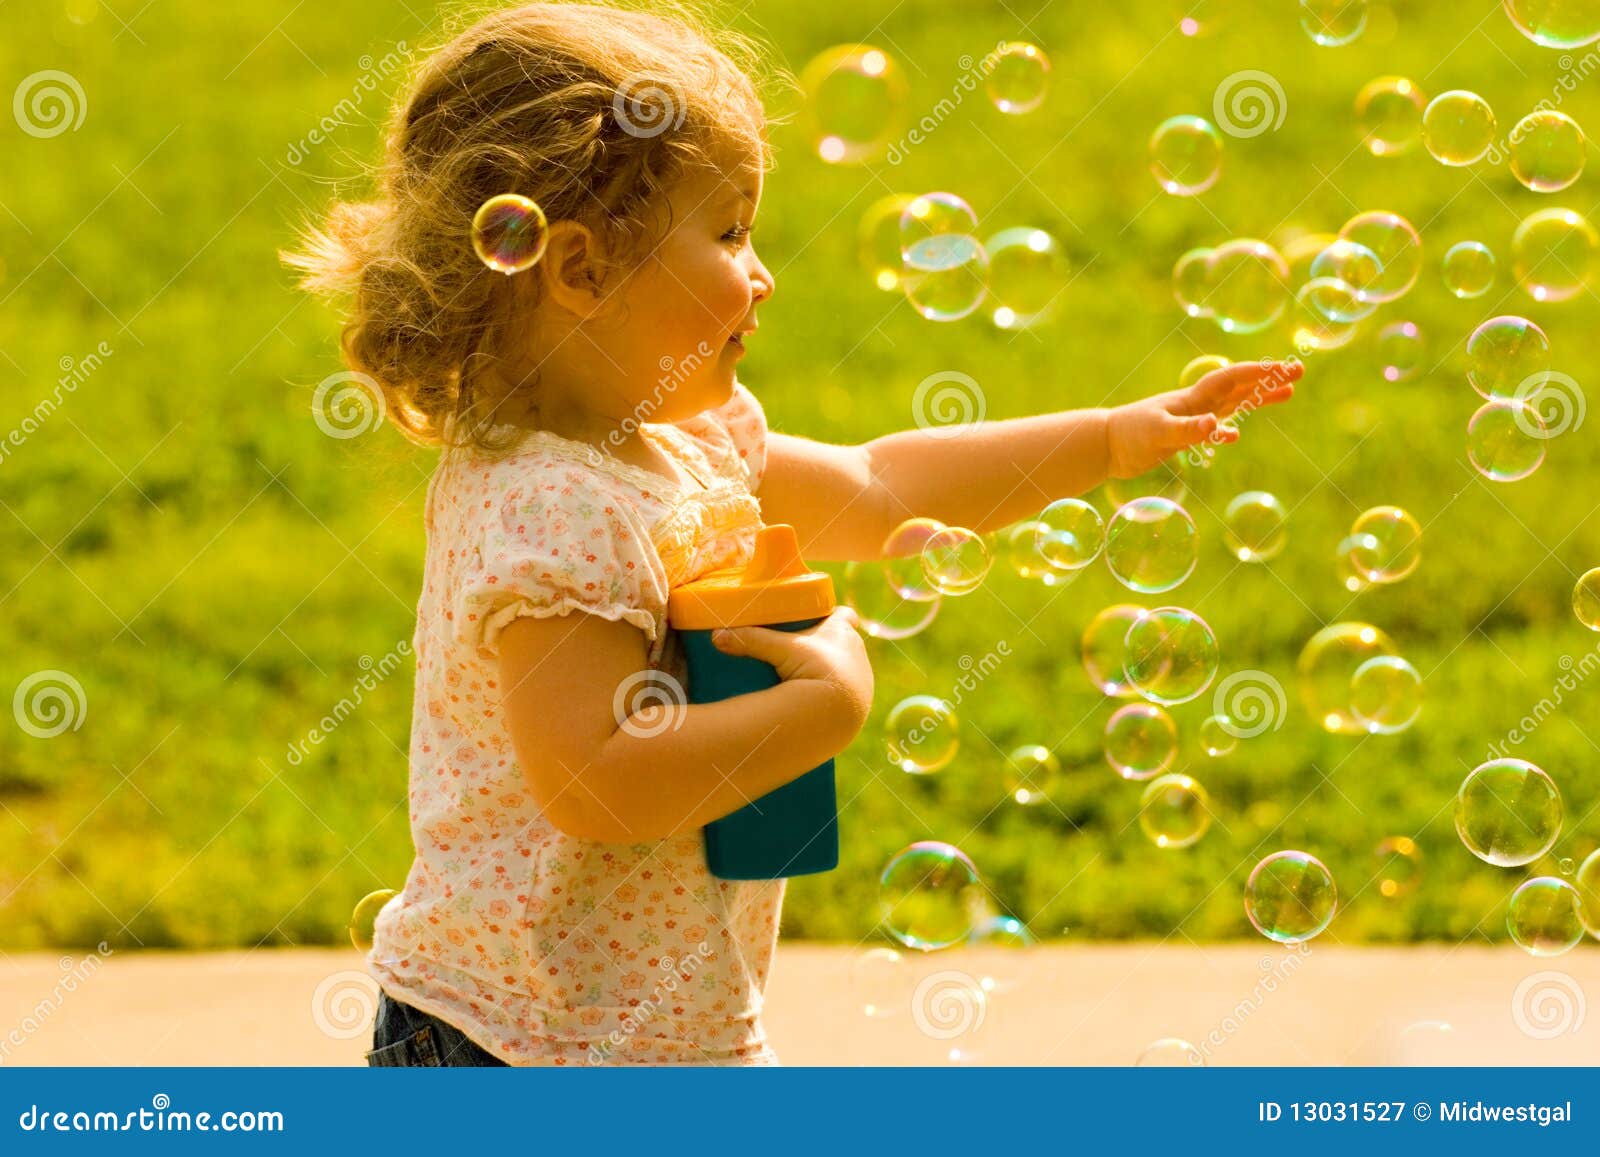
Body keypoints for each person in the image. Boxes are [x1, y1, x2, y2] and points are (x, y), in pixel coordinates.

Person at [283, 0, 1299, 1067]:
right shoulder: (549, 506)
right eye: (726, 232)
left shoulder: (688, 440)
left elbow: (877, 484)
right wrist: (824, 705)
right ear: (578, 268)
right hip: (518, 1045)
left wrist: (1111, 437)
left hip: (647, 1034)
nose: (760, 271)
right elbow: (596, 780)